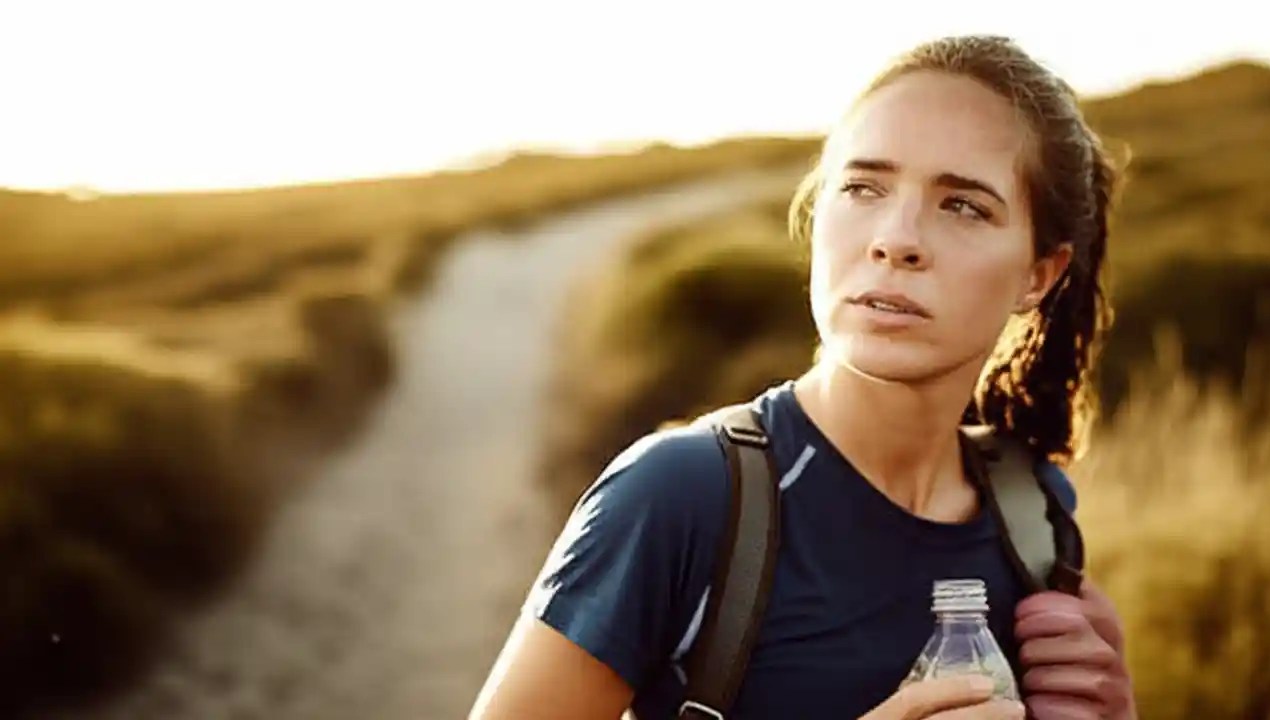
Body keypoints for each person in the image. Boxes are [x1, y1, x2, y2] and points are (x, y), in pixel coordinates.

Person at [470, 35, 1137, 720]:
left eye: (963, 205)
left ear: (1038, 274)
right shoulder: (680, 498)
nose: (895, 237)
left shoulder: (1032, 514)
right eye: (862, 187)